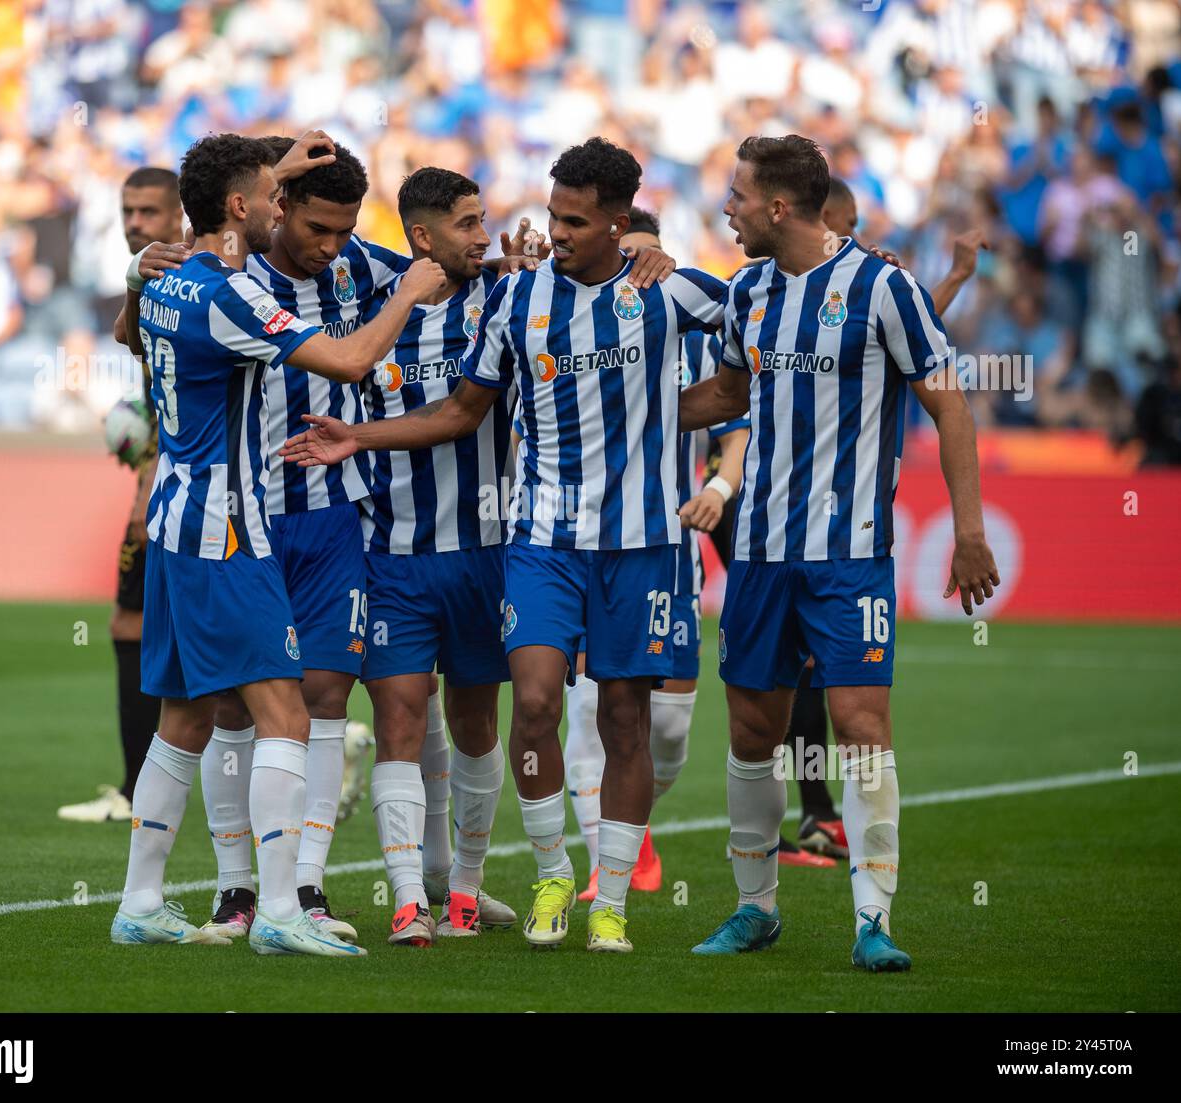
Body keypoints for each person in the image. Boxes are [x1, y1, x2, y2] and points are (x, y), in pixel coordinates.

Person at [281, 137, 724, 954]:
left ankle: (554, 895)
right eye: (472, 222)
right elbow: (456, 406)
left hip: (580, 544)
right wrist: (357, 436)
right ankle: (490, 882)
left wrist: (660, 401)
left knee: (585, 717)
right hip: (483, 544)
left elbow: (752, 345)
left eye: (571, 219)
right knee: (494, 708)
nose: (532, 232)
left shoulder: (614, 290)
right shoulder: (462, 296)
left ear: (617, 221)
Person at [111, 129, 446, 957]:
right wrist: (408, 291)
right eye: (271, 196)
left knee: (184, 714)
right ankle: (285, 910)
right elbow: (353, 355)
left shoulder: (171, 279)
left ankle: (140, 900)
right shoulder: (231, 297)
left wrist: (277, 169)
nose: (279, 206)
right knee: (285, 712)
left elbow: (137, 320)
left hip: (175, 524)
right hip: (232, 528)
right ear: (241, 207)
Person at [681, 135, 999, 970]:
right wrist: (622, 408)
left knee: (861, 723)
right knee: (755, 728)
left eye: (739, 196)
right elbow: (727, 393)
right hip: (756, 550)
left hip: (849, 552)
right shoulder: (747, 291)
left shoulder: (882, 287)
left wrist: (969, 533)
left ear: (778, 207)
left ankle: (872, 919)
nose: (728, 209)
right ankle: (755, 908)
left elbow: (950, 405)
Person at [352, 166, 532, 943]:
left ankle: (463, 887)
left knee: (474, 722)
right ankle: (405, 897)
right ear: (421, 236)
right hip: (394, 553)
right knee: (396, 716)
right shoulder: (372, 319)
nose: (482, 234)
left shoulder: (506, 300)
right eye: (466, 222)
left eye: (483, 219)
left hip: (485, 553)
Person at [564, 206, 751, 902]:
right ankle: (603, 861)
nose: (634, 275)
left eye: (648, 260)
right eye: (625, 258)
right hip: (580, 543)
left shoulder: (692, 339)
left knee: (665, 731)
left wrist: (721, 486)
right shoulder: (572, 325)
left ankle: (633, 813)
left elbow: (734, 430)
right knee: (591, 711)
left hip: (667, 546)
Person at [57, 167, 183, 826]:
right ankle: (138, 789)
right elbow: (133, 346)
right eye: (127, 211)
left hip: (189, 488)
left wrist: (149, 477)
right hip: (167, 474)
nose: (136, 223)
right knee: (131, 624)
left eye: (148, 212)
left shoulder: (189, 276)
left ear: (180, 216)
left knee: (188, 637)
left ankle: (144, 793)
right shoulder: (152, 279)